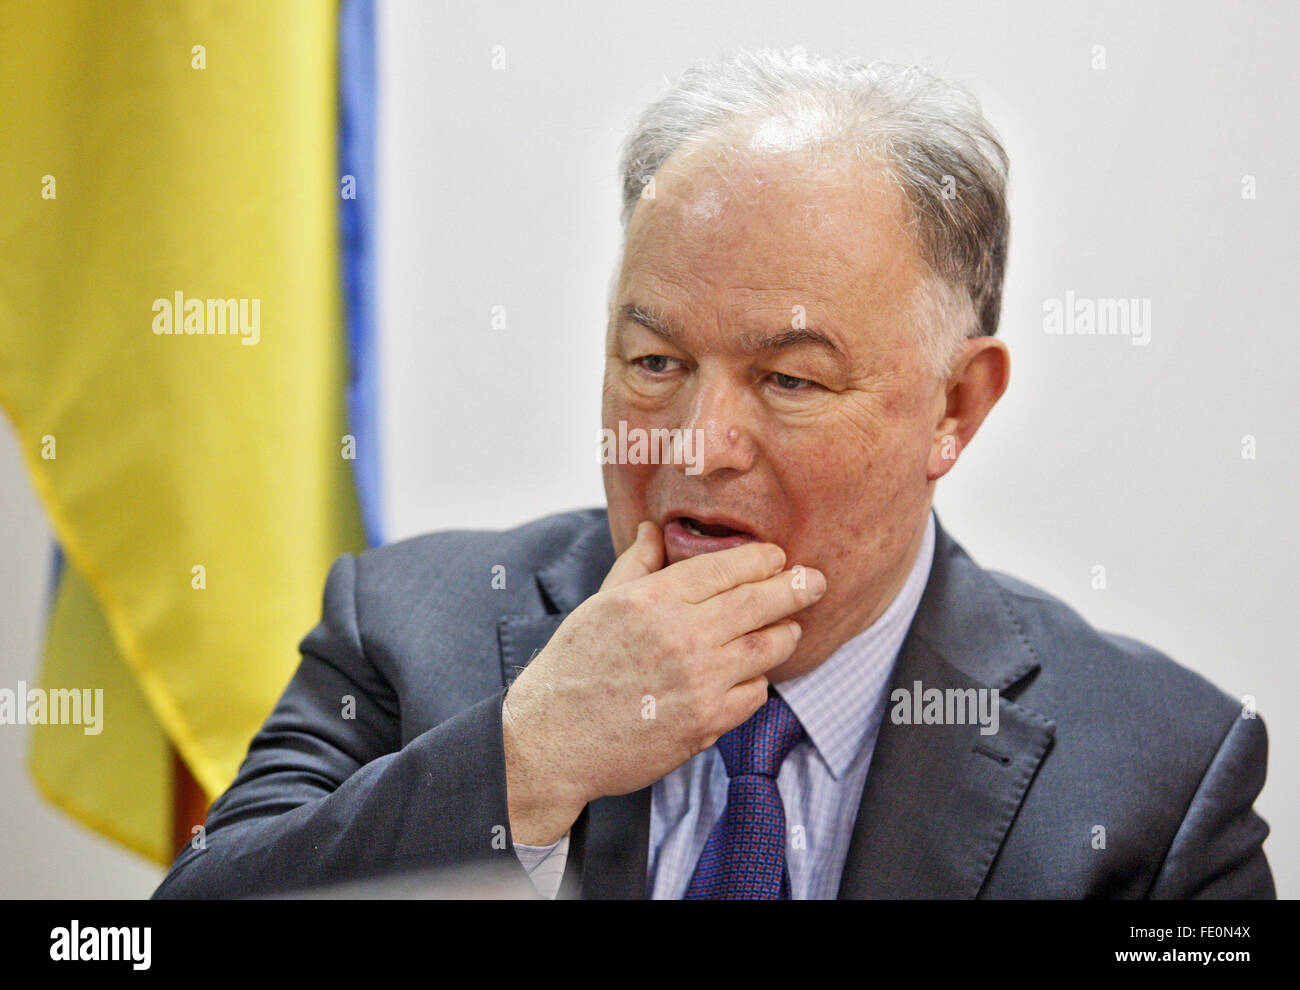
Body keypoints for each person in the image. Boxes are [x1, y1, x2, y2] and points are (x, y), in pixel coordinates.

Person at [154, 49, 1273, 900]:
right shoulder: (406, 629)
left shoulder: (1158, 777)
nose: (690, 445)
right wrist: (528, 760)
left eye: (788, 381)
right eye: (654, 363)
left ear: (954, 406)